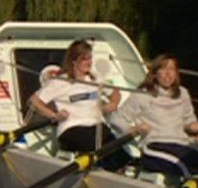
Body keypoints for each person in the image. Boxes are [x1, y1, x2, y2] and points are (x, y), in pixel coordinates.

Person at [108, 53, 198, 188]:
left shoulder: (182, 93)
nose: (168, 74)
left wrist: (195, 127)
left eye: (172, 69)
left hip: (181, 144)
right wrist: (134, 129)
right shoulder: (143, 94)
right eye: (163, 69)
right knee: (182, 165)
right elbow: (116, 119)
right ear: (155, 73)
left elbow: (189, 121)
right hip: (154, 146)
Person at [29, 39, 129, 170]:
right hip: (72, 127)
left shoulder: (95, 78)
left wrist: (113, 103)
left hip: (97, 127)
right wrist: (54, 115)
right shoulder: (61, 81)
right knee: (98, 145)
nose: (89, 63)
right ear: (74, 61)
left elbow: (115, 92)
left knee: (115, 146)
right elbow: (34, 101)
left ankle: (122, 169)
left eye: (90, 58)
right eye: (85, 59)